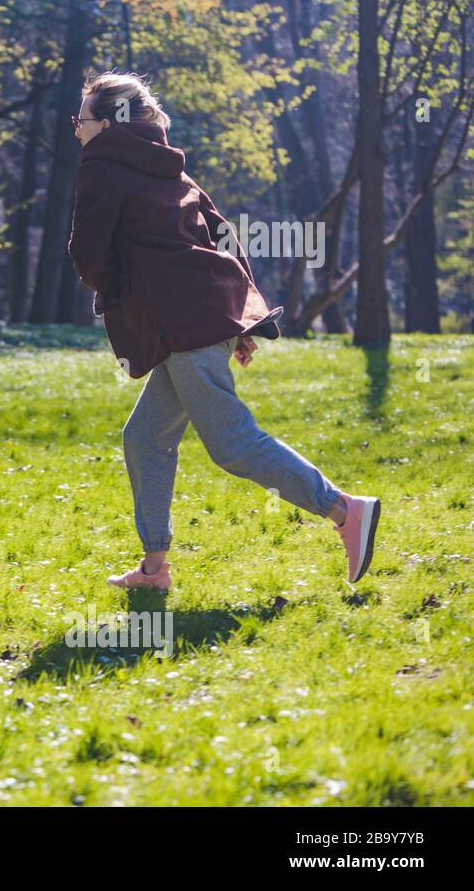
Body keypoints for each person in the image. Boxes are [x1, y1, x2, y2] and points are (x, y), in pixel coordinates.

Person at [67, 71, 380, 591]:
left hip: (183, 323)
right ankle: (154, 570)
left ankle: (345, 510)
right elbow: (223, 236)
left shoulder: (103, 166)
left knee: (232, 443)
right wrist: (238, 317)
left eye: (82, 119)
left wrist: (119, 293)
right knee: (145, 437)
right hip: (197, 318)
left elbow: (87, 253)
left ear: (110, 124)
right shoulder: (170, 168)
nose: (77, 129)